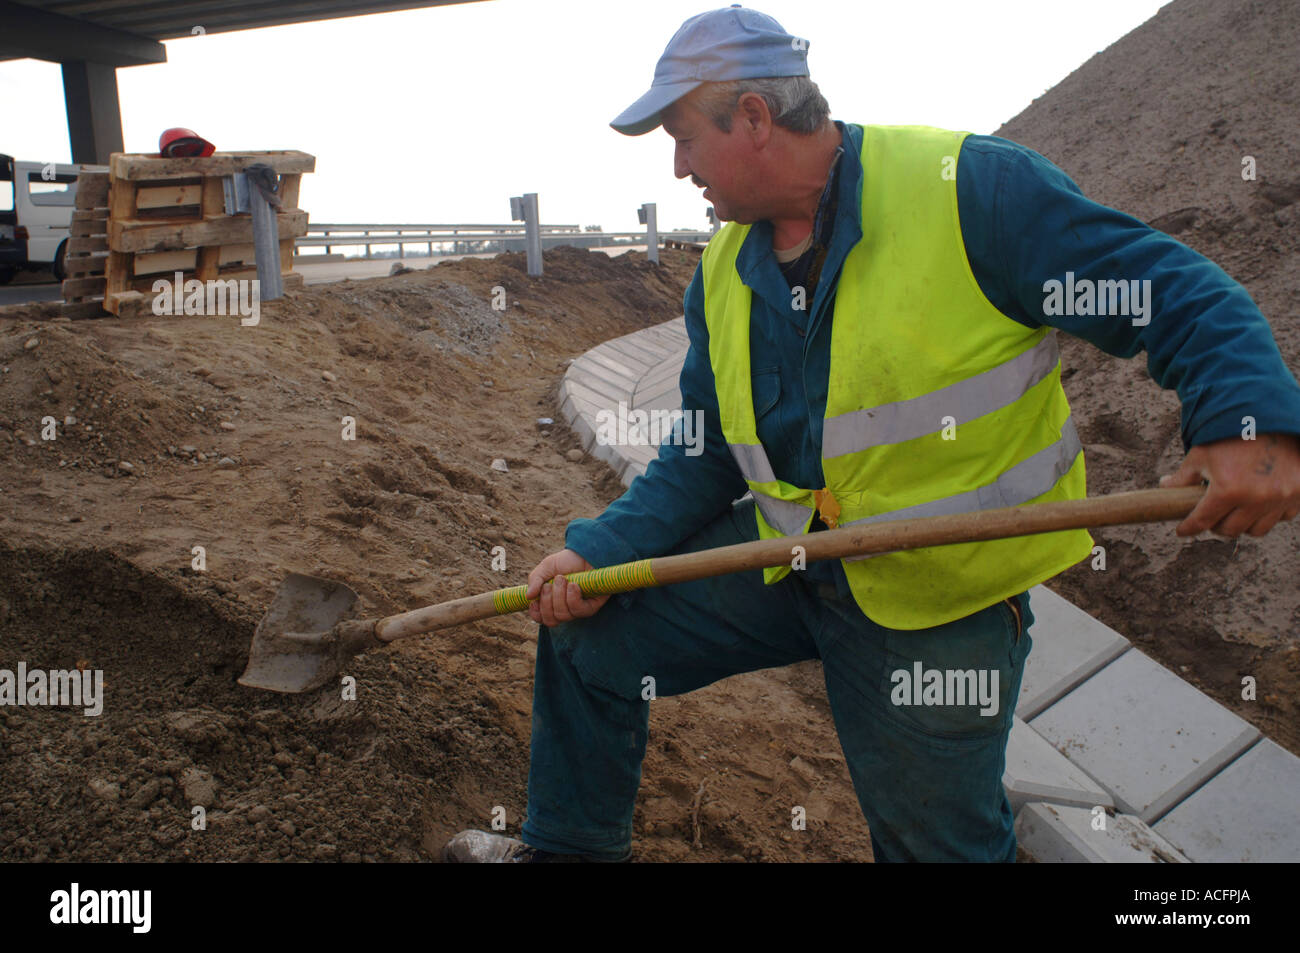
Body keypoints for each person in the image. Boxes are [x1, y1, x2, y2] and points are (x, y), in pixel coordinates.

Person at [443, 5, 1300, 863]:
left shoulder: (969, 193)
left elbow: (1169, 290)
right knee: (588, 638)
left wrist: (1245, 421)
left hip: (937, 599)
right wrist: (602, 552)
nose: (677, 167)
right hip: (786, 561)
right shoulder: (720, 271)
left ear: (752, 117)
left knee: (937, 846)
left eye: (682, 137)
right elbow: (705, 448)